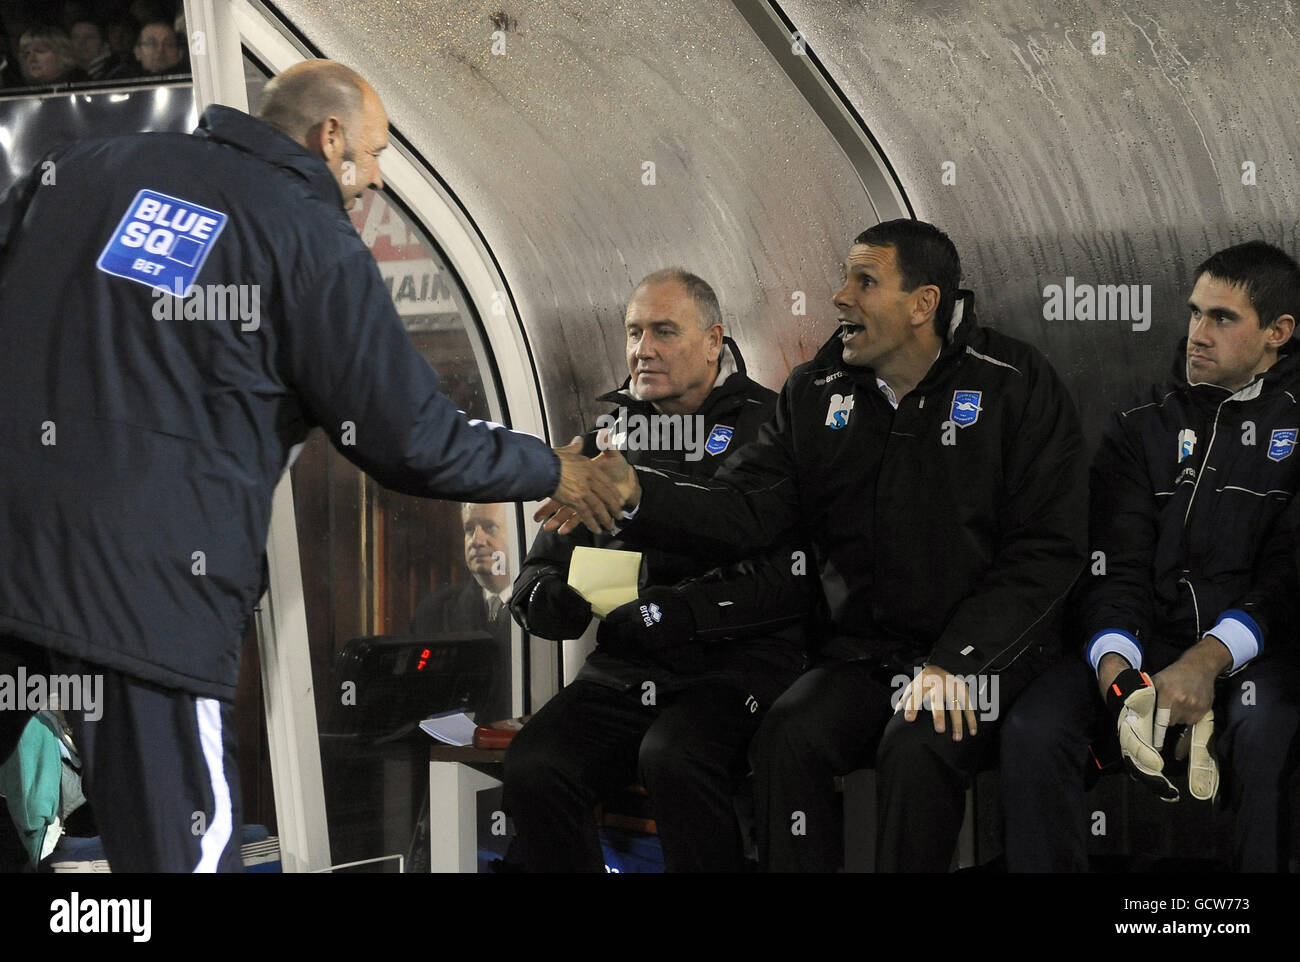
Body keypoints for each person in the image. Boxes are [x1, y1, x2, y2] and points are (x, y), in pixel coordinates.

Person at [0, 59, 623, 872]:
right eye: (374, 153)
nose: (373, 180)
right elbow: (409, 435)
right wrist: (553, 470)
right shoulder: (305, 232)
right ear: (330, 137)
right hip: (141, 603)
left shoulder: (78, 172)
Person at [542, 220, 1089, 871]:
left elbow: (1048, 551)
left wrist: (956, 661)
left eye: (865, 281)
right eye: (843, 278)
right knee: (784, 738)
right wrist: (636, 491)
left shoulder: (1014, 383)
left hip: (983, 652)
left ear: (923, 304)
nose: (839, 298)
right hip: (865, 656)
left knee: (916, 747)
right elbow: (742, 511)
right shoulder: (816, 391)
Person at [1001, 241, 1300, 872]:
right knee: (1036, 728)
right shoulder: (1142, 422)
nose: (1198, 333)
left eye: (1223, 318)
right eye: (1194, 313)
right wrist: (1119, 672)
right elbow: (1113, 564)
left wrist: (1206, 662)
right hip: (1146, 645)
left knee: (1267, 727)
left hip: (1256, 651)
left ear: (1278, 332)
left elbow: (1287, 579)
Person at [504, 269, 812, 872]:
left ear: (713, 341)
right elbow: (534, 574)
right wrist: (548, 598)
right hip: (626, 672)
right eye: (634, 332)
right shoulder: (606, 440)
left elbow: (792, 579)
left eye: (664, 331)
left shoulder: (773, 427)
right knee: (535, 765)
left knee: (674, 755)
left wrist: (687, 613)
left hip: (737, 668)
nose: (642, 350)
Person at [410, 502, 515, 721]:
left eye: (489, 527)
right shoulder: (433, 613)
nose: (476, 540)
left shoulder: (545, 607)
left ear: (516, 536)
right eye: (469, 529)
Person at [18, 25, 87, 86]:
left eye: (40, 51)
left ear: (62, 54)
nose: (31, 59)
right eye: (26, 53)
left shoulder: (80, 85)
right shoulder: (22, 87)